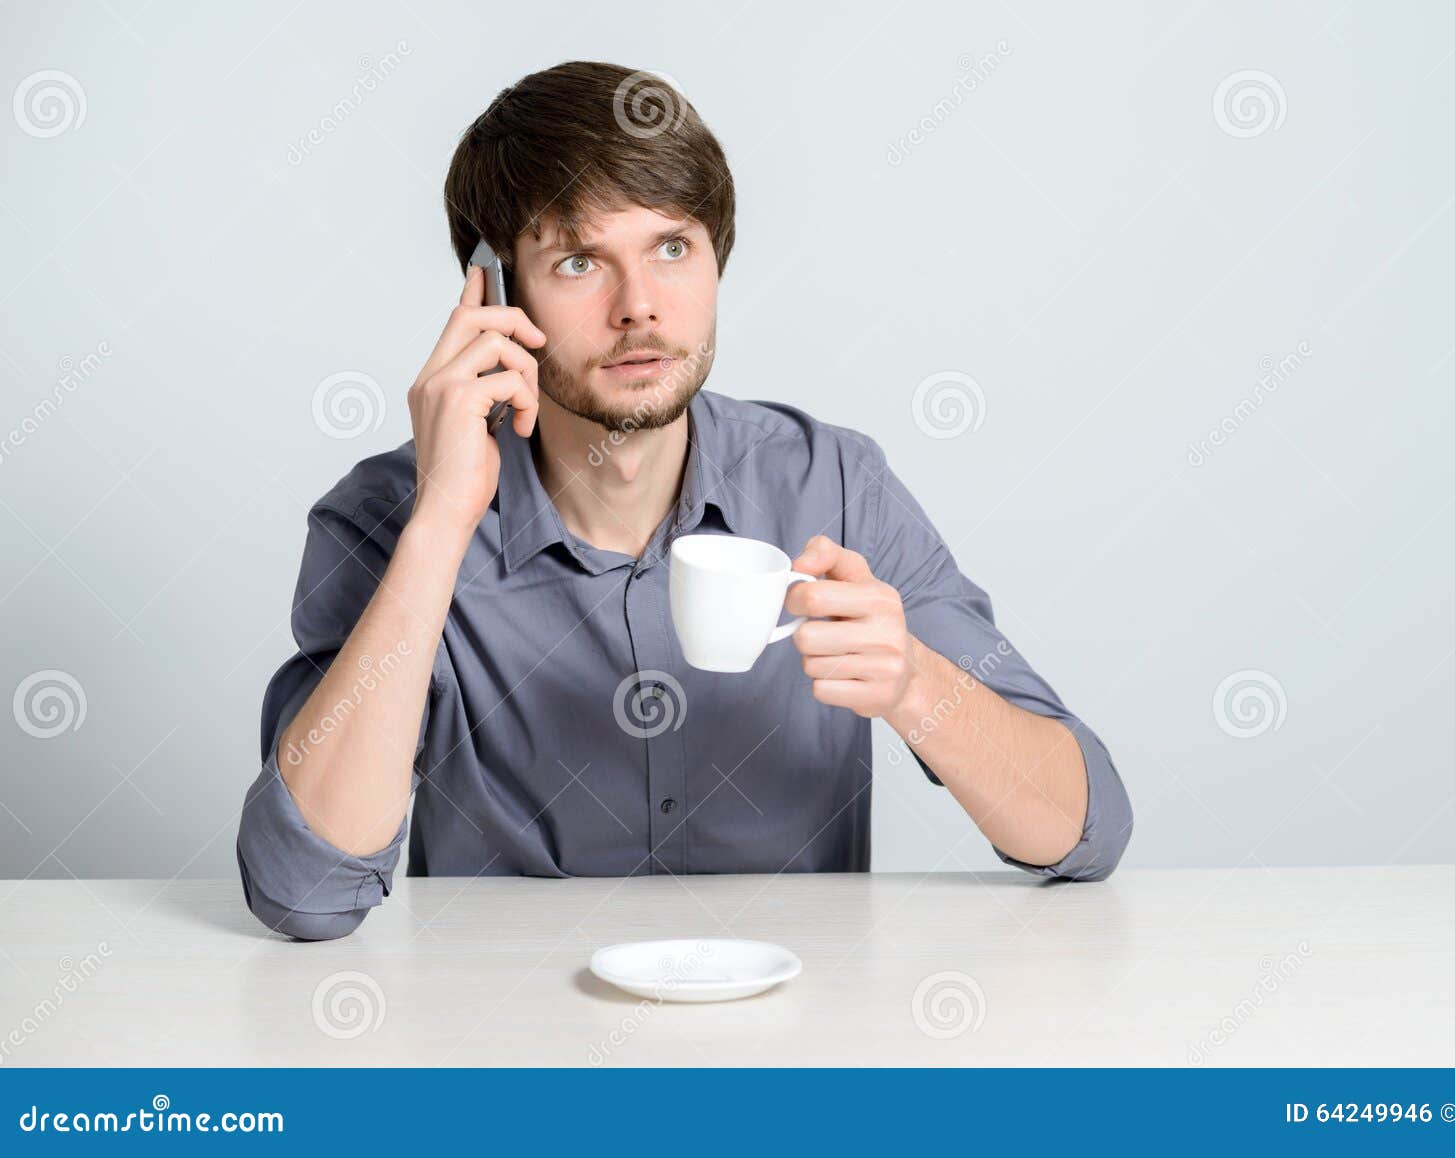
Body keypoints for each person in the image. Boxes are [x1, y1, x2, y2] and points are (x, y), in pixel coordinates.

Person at [235, 61, 1133, 940]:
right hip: (506, 1020)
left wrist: (915, 683)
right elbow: (305, 893)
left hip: (798, 1020)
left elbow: (1082, 834)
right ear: (496, 293)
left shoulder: (834, 484)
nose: (640, 307)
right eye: (579, 261)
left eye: (672, 248)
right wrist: (439, 525)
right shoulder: (385, 516)